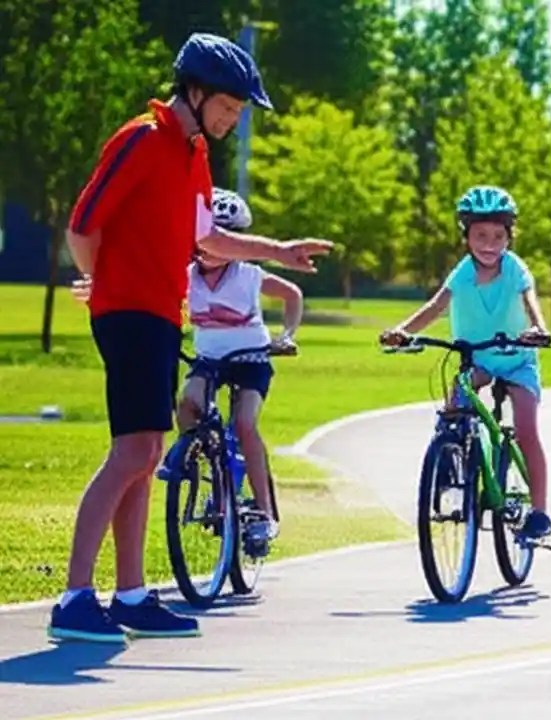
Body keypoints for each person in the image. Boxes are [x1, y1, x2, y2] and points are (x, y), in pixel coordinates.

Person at [52, 32, 331, 644]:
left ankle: (130, 595)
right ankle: (74, 596)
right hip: (128, 313)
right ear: (196, 91)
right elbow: (83, 224)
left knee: (147, 453)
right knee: (132, 453)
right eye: (229, 107)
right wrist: (106, 288)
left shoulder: (193, 154)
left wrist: (277, 250)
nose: (234, 120)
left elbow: (209, 240)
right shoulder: (142, 139)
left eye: (239, 111)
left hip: (159, 314)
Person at [379, 185, 551, 540]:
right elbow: (436, 306)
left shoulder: (515, 269)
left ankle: (539, 512)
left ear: (509, 237)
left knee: (525, 429)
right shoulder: (462, 272)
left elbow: (530, 301)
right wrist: (401, 331)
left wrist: (539, 327)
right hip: (479, 358)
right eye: (480, 236)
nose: (489, 244)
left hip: (517, 359)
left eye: (498, 236)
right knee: (454, 405)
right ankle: (447, 457)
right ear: (466, 238)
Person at [156, 187, 304, 551]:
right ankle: (196, 458)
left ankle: (266, 515)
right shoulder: (185, 274)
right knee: (187, 404)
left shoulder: (249, 276)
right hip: (209, 361)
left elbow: (292, 295)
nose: (209, 249)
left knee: (244, 423)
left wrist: (286, 335)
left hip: (251, 360)